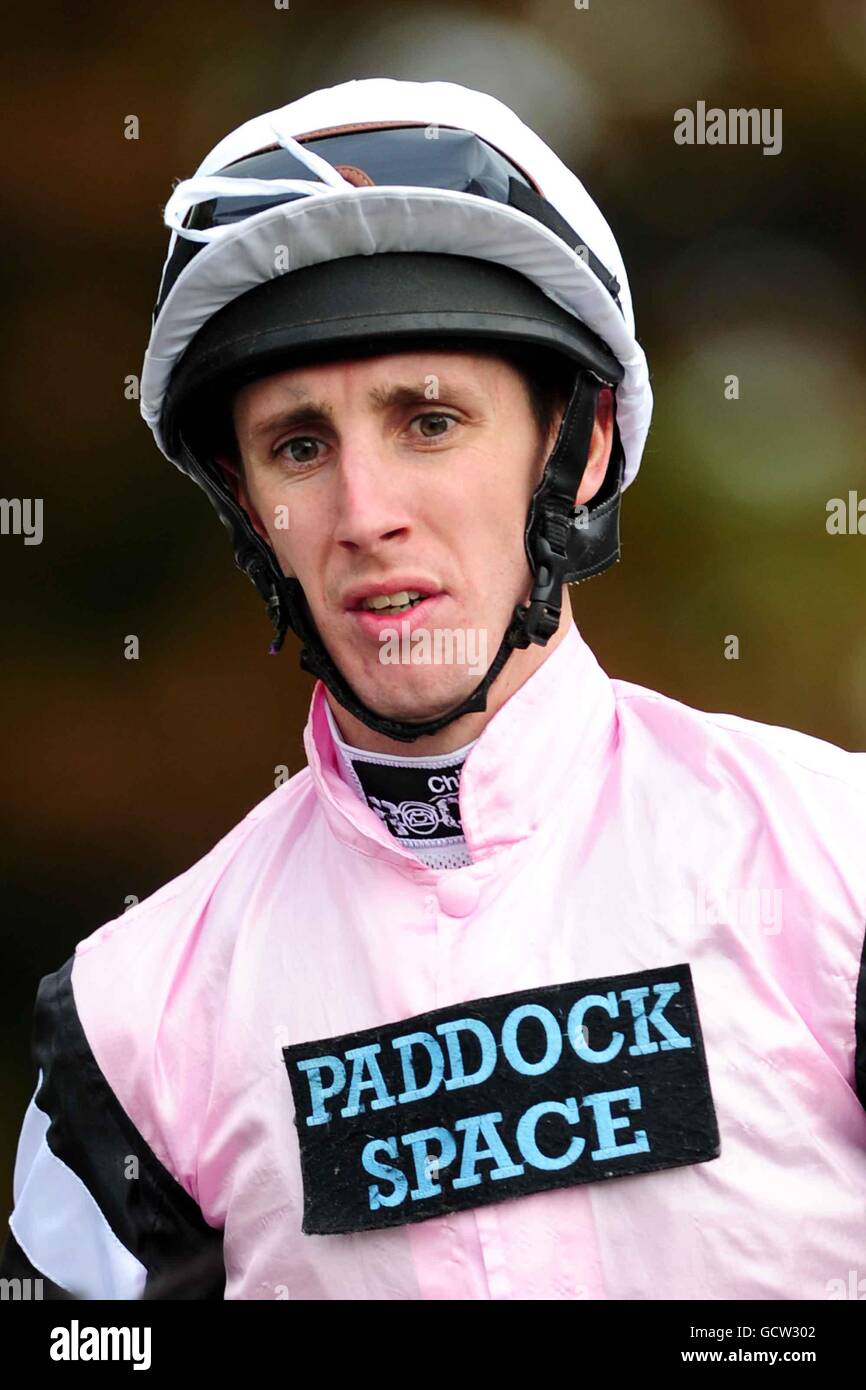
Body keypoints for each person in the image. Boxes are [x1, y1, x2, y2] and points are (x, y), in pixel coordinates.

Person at [2, 76, 865, 1303]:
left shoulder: (840, 865)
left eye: (429, 420)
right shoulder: (131, 1018)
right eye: (300, 446)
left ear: (581, 445)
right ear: (252, 509)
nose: (365, 515)